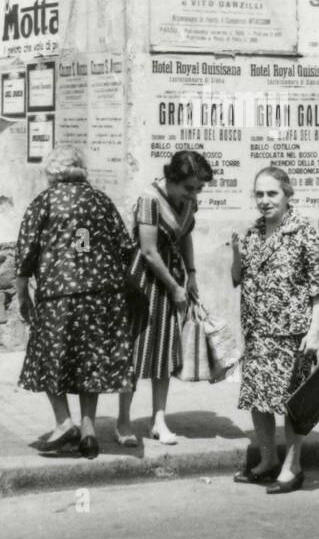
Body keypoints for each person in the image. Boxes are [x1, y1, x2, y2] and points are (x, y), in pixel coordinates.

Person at [15, 144, 137, 460]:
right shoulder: (100, 200)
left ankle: (63, 422)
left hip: (58, 294)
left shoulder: (45, 202)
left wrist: (22, 295)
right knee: (89, 361)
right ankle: (88, 432)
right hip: (100, 295)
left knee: (49, 357)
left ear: (52, 173)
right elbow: (125, 247)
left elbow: (25, 254)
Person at [231, 167, 319, 495]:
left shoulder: (303, 232)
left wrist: (314, 332)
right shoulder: (254, 232)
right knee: (258, 400)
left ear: (288, 195)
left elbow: (318, 289)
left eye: (271, 193)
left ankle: (293, 465)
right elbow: (239, 279)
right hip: (258, 333)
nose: (264, 200)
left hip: (292, 334)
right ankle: (269, 460)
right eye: (259, 194)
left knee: (293, 403)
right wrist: (234, 255)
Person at [115, 150, 214, 446]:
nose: (194, 194)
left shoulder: (188, 201)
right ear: (172, 179)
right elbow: (148, 251)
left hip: (173, 280)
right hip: (144, 282)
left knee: (165, 352)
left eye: (198, 188)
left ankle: (159, 420)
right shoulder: (150, 199)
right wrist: (174, 286)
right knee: (135, 351)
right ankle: (123, 421)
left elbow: (185, 236)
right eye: (189, 187)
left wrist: (192, 273)